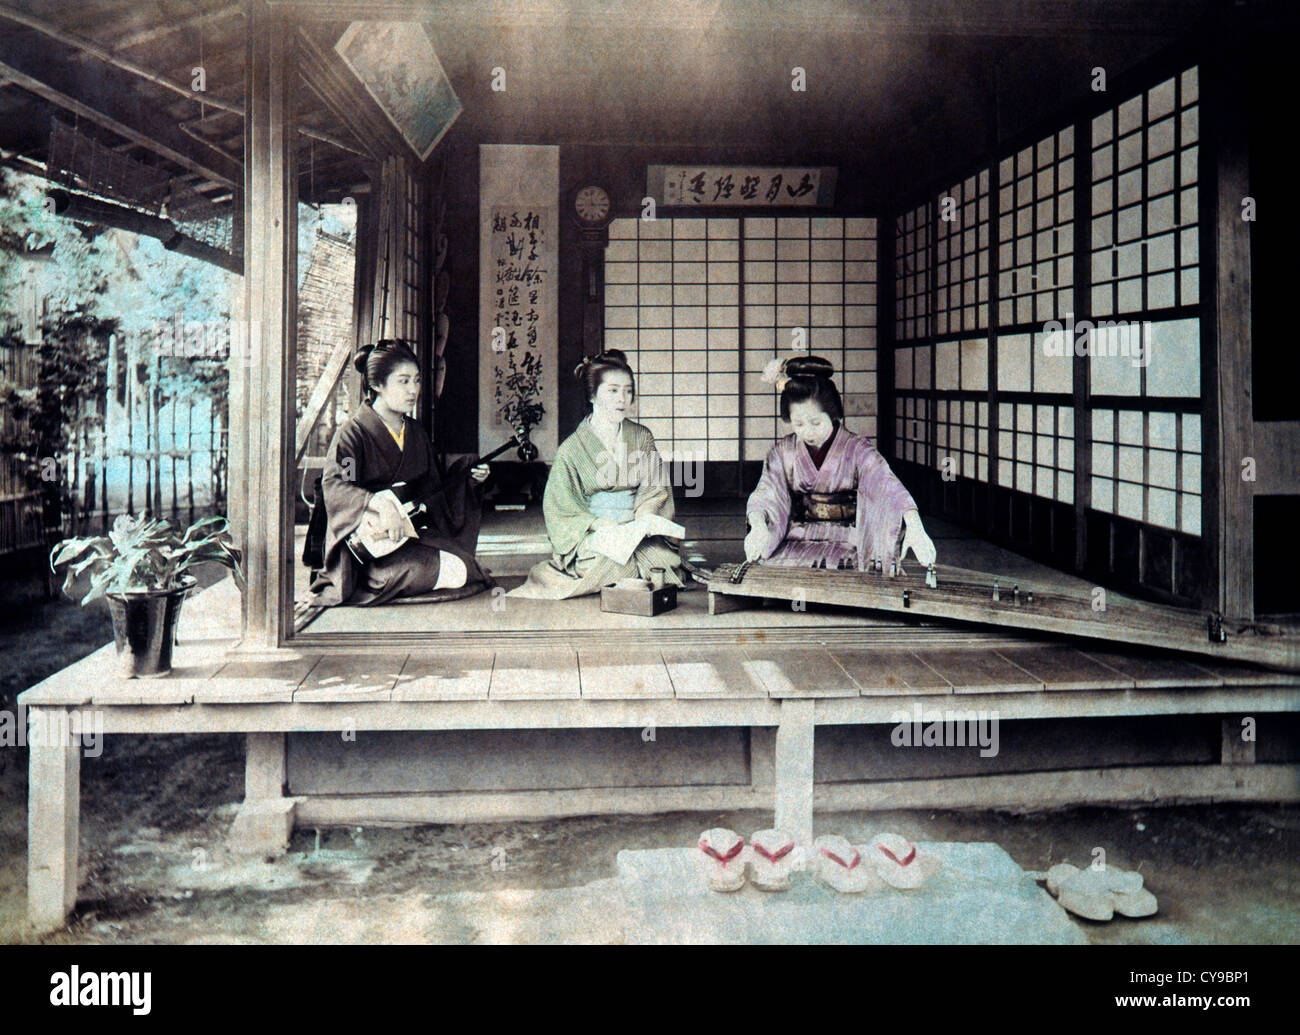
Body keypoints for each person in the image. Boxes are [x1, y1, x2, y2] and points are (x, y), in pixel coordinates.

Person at [310, 339, 493, 606]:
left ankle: (410, 573)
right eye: (403, 381)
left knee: (462, 566)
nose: (413, 390)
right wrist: (377, 503)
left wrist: (469, 480)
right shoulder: (354, 434)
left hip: (409, 533)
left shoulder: (416, 433)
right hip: (370, 542)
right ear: (377, 385)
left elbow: (434, 489)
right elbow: (341, 486)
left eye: (416, 381)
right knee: (430, 570)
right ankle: (368, 579)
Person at [509, 349, 686, 599]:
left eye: (628, 391)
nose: (622, 399)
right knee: (614, 565)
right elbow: (562, 506)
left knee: (663, 561)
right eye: (612, 390)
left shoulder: (642, 436)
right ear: (593, 394)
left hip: (635, 530)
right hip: (595, 533)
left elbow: (654, 489)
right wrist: (601, 526)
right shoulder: (572, 448)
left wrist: (644, 518)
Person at [744, 355, 937, 573]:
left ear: (833, 415)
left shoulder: (858, 450)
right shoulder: (782, 452)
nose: (807, 431)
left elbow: (887, 487)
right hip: (799, 538)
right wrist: (759, 525)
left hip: (850, 540)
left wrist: (915, 526)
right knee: (771, 568)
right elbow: (766, 494)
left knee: (861, 570)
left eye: (816, 422)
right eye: (798, 423)